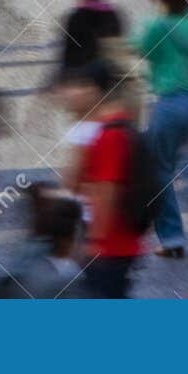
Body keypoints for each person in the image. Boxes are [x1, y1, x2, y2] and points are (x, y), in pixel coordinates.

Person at [133, 0, 188, 260]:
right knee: (186, 163)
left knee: (158, 170)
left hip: (168, 104)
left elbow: (138, 48)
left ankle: (171, 237)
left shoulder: (157, 26)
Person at [63, 59, 146, 297]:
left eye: (77, 86)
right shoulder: (113, 125)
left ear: (94, 90)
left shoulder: (110, 134)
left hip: (112, 246)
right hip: (115, 243)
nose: (69, 93)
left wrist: (95, 241)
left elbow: (108, 190)